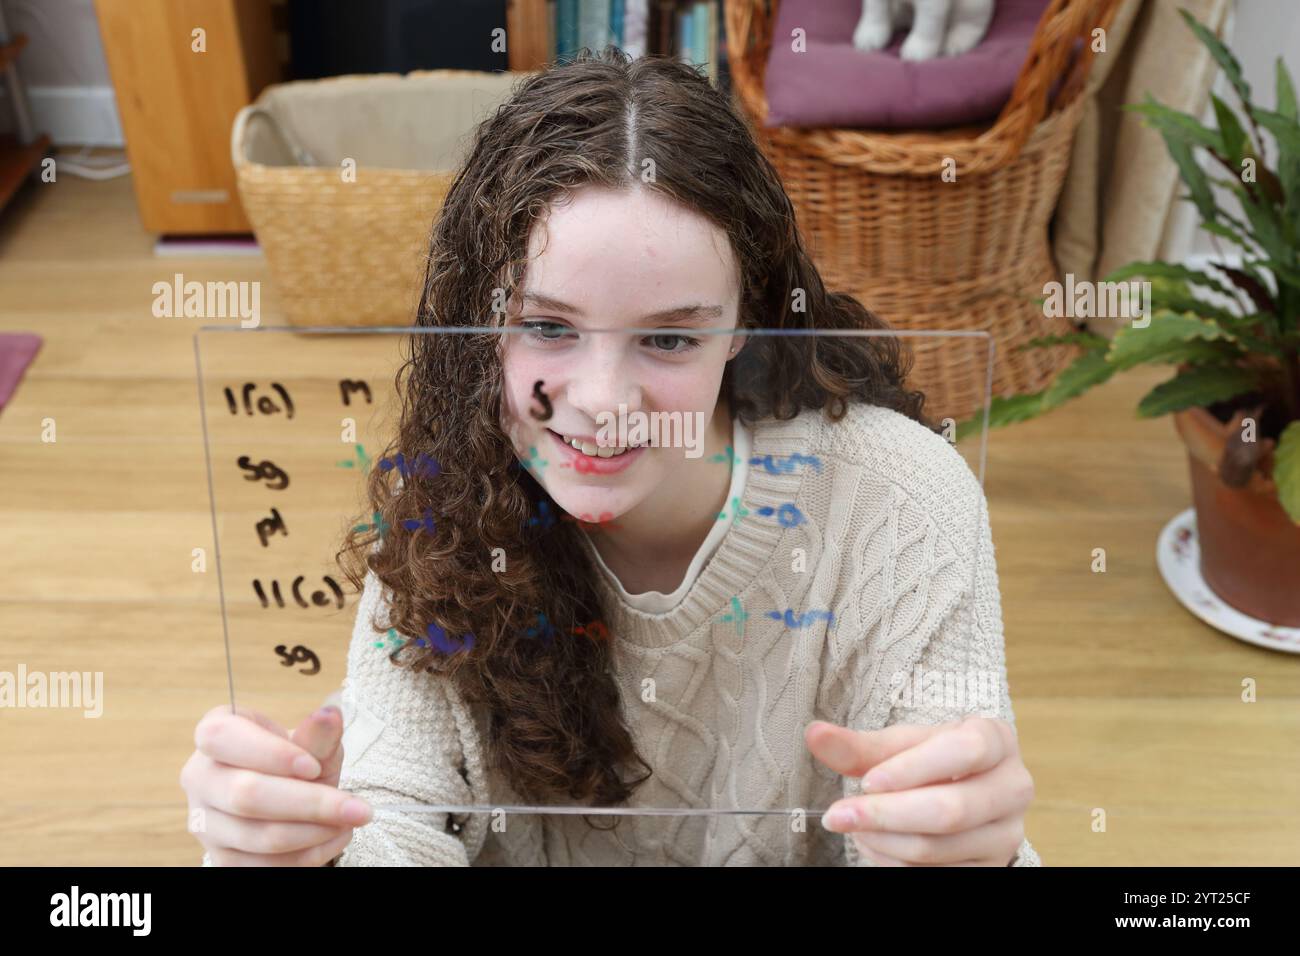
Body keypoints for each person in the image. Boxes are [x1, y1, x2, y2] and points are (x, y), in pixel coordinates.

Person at [181, 47, 1038, 867]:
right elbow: (398, 826)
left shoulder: (904, 501)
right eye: (547, 327)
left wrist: (972, 852)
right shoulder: (443, 504)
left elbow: (947, 816)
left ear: (747, 324)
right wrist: (308, 854)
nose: (602, 402)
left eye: (668, 338)